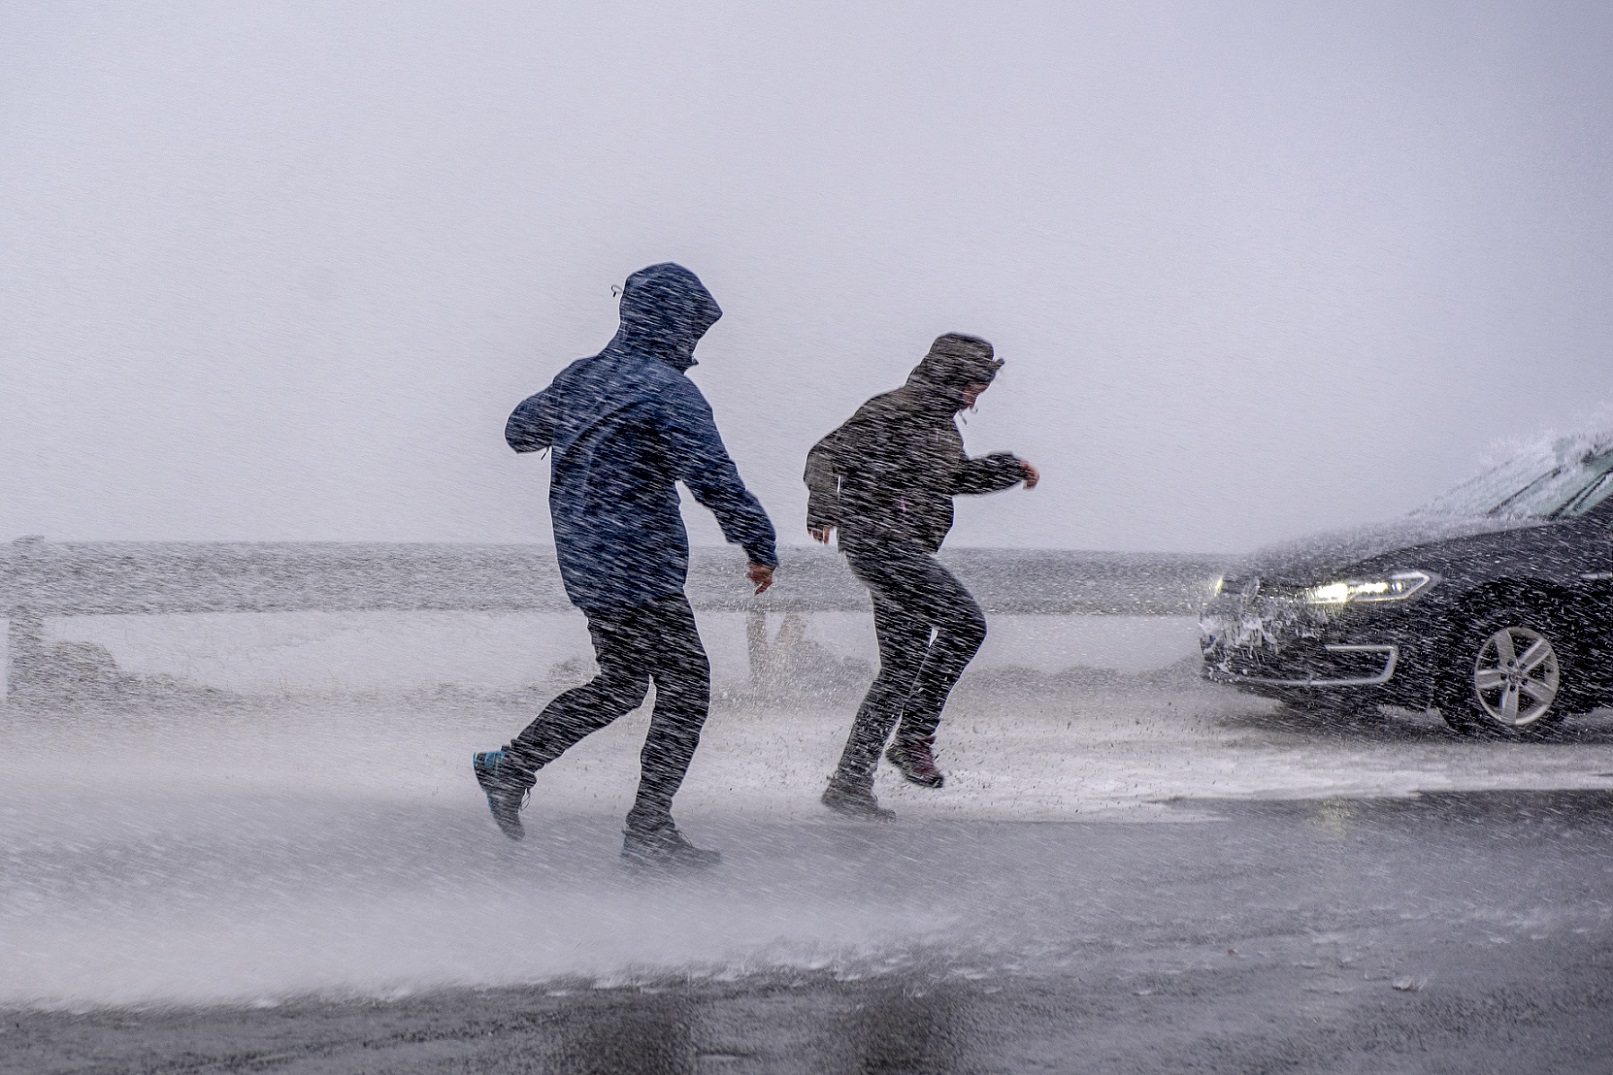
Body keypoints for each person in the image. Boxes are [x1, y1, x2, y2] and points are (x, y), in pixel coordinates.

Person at [474, 263, 778, 868]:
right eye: (691, 329)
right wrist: (758, 542)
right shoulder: (668, 391)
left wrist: (578, 418)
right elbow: (713, 477)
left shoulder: (582, 378)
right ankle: (646, 829)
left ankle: (512, 766)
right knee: (687, 689)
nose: (694, 345)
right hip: (638, 563)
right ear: (670, 324)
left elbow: (518, 430)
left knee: (622, 684)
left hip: (587, 562)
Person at [804, 333, 1038, 819]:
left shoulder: (943, 429)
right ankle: (913, 737)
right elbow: (825, 454)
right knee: (966, 625)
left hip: (904, 549)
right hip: (881, 544)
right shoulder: (895, 408)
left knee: (900, 670)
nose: (974, 398)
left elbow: (951, 479)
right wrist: (825, 506)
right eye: (972, 387)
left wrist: (1007, 469)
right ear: (949, 376)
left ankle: (850, 783)